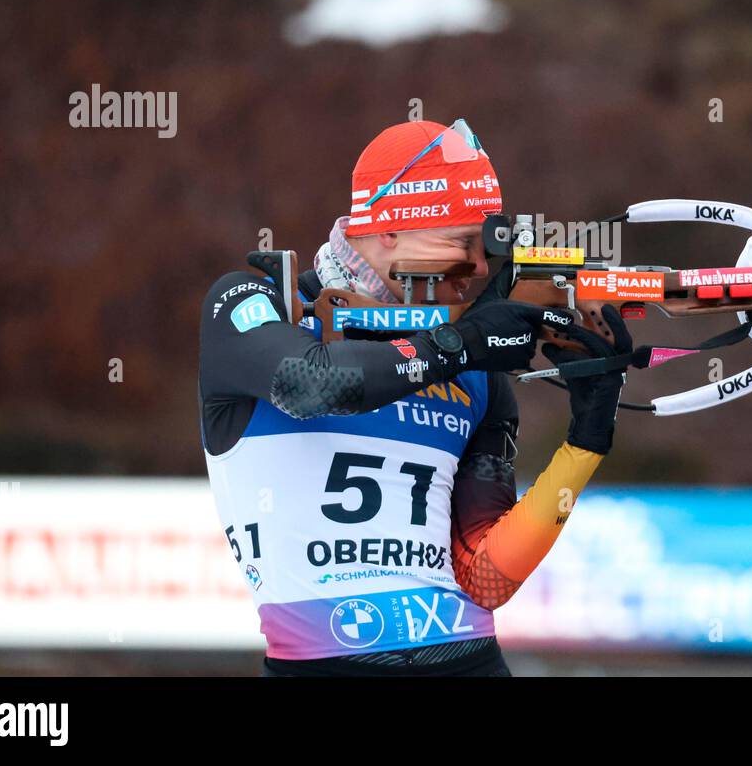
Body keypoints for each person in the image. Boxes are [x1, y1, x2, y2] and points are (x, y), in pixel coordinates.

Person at [197, 119, 632, 676]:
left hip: (469, 662)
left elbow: (485, 576)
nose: (478, 268)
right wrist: (463, 342)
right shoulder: (255, 304)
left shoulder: (475, 370)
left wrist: (586, 441)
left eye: (484, 249)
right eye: (461, 243)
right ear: (389, 233)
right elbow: (312, 382)